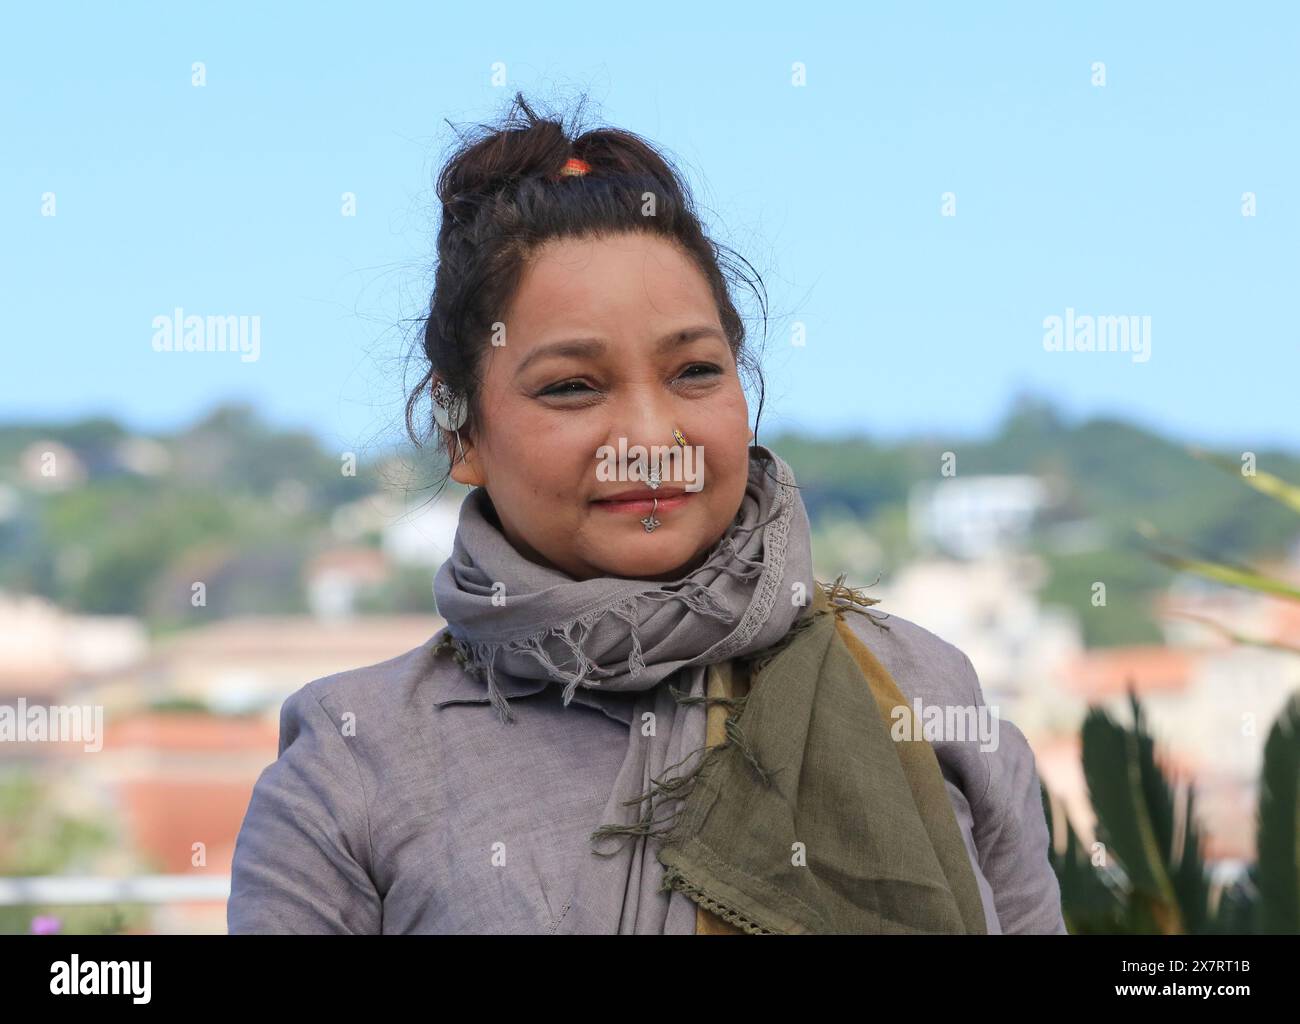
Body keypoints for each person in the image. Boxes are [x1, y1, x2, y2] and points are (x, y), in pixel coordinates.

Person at [227, 93, 1067, 935]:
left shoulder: (919, 690)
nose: (649, 437)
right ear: (461, 429)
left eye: (694, 371)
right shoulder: (357, 760)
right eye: (570, 386)